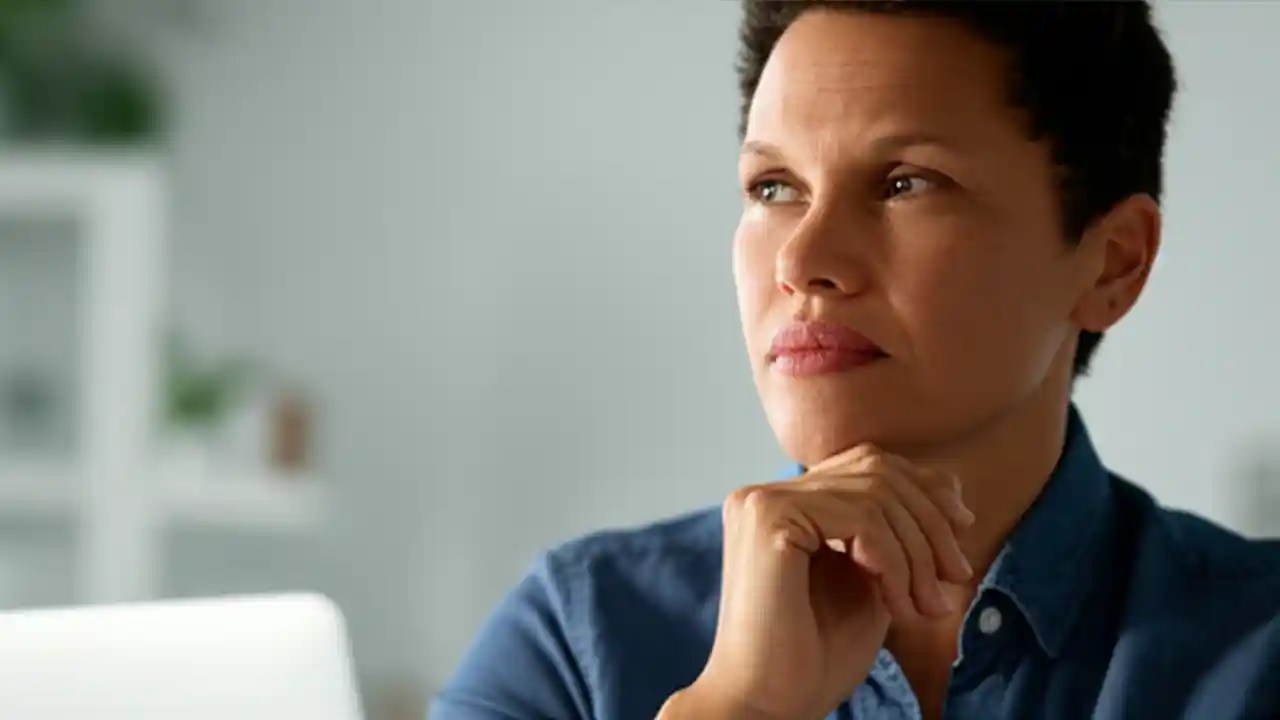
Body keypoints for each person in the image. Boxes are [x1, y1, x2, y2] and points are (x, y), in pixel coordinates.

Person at [431, 2, 1280, 719]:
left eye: (906, 182)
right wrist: (737, 709)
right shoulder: (576, 638)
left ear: (1112, 263)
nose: (800, 261)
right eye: (774, 188)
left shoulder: (1258, 649)